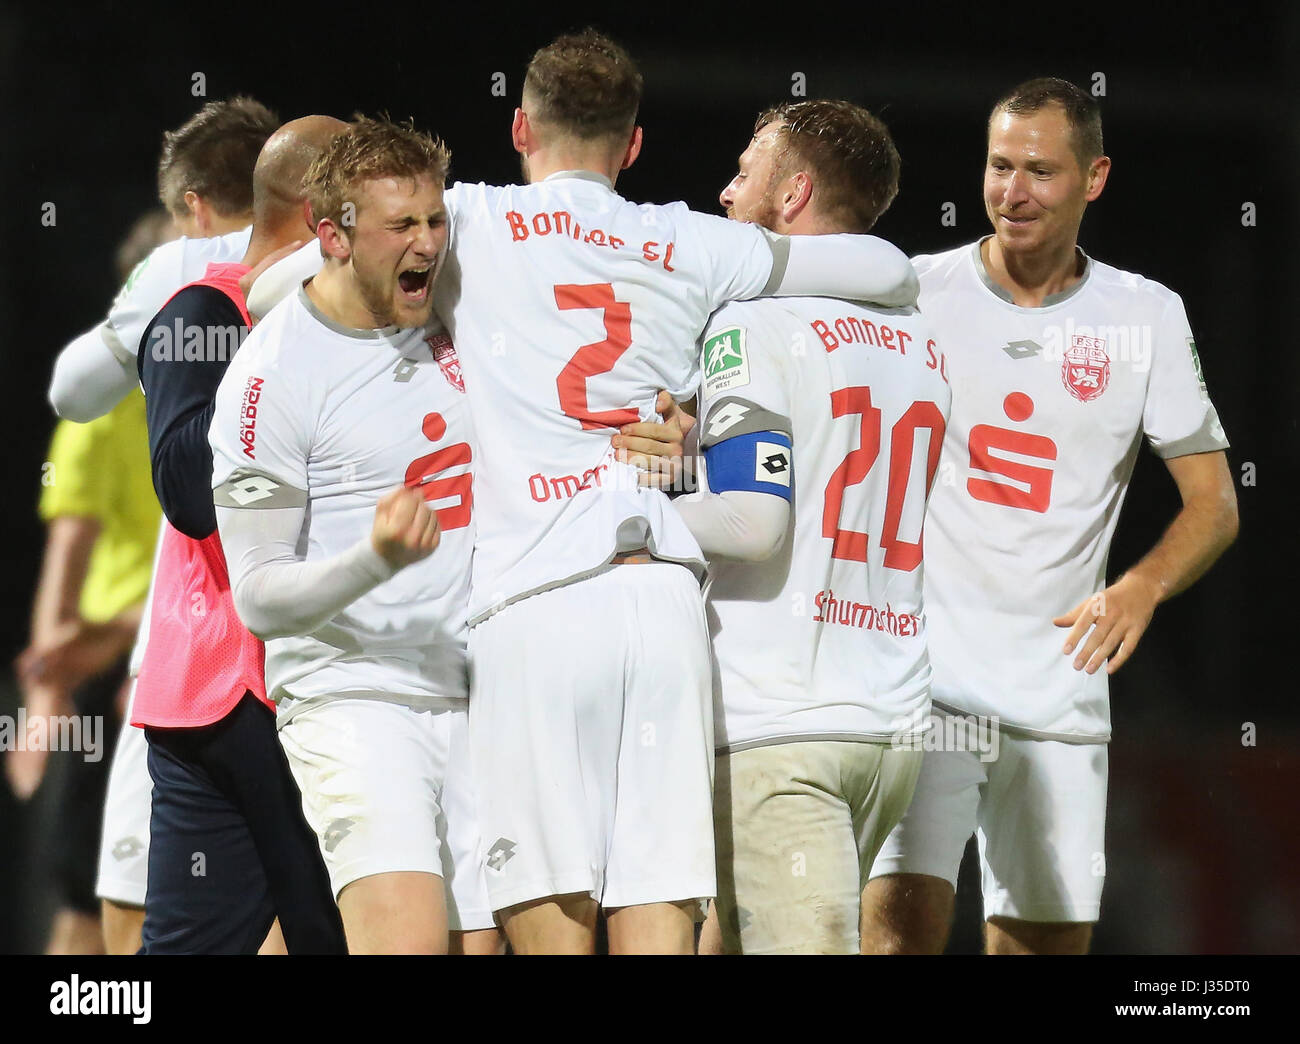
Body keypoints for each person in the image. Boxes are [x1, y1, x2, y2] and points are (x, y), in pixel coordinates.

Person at [246, 31, 918, 955]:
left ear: (520, 127)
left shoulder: (470, 225)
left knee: (543, 917)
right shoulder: (691, 238)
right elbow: (887, 269)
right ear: (633, 147)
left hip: (538, 600)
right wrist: (679, 405)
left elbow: (275, 289)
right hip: (663, 598)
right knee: (659, 912)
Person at [861, 77, 1239, 955]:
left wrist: (1141, 588)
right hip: (929, 685)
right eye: (999, 166)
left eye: (1040, 170)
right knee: (893, 937)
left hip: (1059, 691)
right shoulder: (913, 292)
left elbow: (1215, 503)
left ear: (1095, 178)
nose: (1012, 191)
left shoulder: (1142, 316)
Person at [667, 99, 951, 954]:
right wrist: (693, 464)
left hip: (780, 722)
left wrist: (623, 505)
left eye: (745, 170)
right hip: (889, 722)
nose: (724, 192)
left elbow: (755, 525)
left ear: (791, 195)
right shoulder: (919, 340)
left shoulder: (751, 322)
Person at [210, 117, 500, 955]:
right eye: (401, 226)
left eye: (435, 221)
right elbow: (259, 595)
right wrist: (373, 559)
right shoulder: (270, 378)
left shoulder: (458, 308)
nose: (429, 243)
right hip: (355, 695)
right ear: (329, 235)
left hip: (481, 693)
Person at [68, 98, 280, 954]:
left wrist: (136, 309)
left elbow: (70, 393)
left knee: (142, 911)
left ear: (190, 204)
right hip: (321, 657)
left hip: (196, 655)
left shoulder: (181, 274)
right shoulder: (372, 291)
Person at [134, 116, 349, 954]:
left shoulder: (369, 326)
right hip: (225, 702)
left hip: (309, 682)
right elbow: (187, 490)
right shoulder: (205, 312)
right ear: (319, 212)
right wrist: (281, 333)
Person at [10, 211, 171, 952]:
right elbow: (65, 559)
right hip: (112, 670)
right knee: (87, 891)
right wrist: (46, 695)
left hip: (188, 656)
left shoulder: (230, 384)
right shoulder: (98, 413)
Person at [49, 96, 277, 423]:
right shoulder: (335, 246)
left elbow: (72, 395)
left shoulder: (182, 263)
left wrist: (125, 332)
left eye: (177, 219)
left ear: (196, 207)